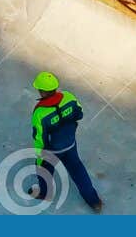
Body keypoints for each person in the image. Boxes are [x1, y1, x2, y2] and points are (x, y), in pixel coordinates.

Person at [28, 71, 103, 212]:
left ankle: (45, 193)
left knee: (43, 169)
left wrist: (39, 156)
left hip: (52, 150)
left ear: (42, 92)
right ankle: (94, 201)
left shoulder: (40, 113)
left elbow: (39, 138)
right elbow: (79, 113)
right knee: (77, 169)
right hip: (70, 144)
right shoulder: (68, 97)